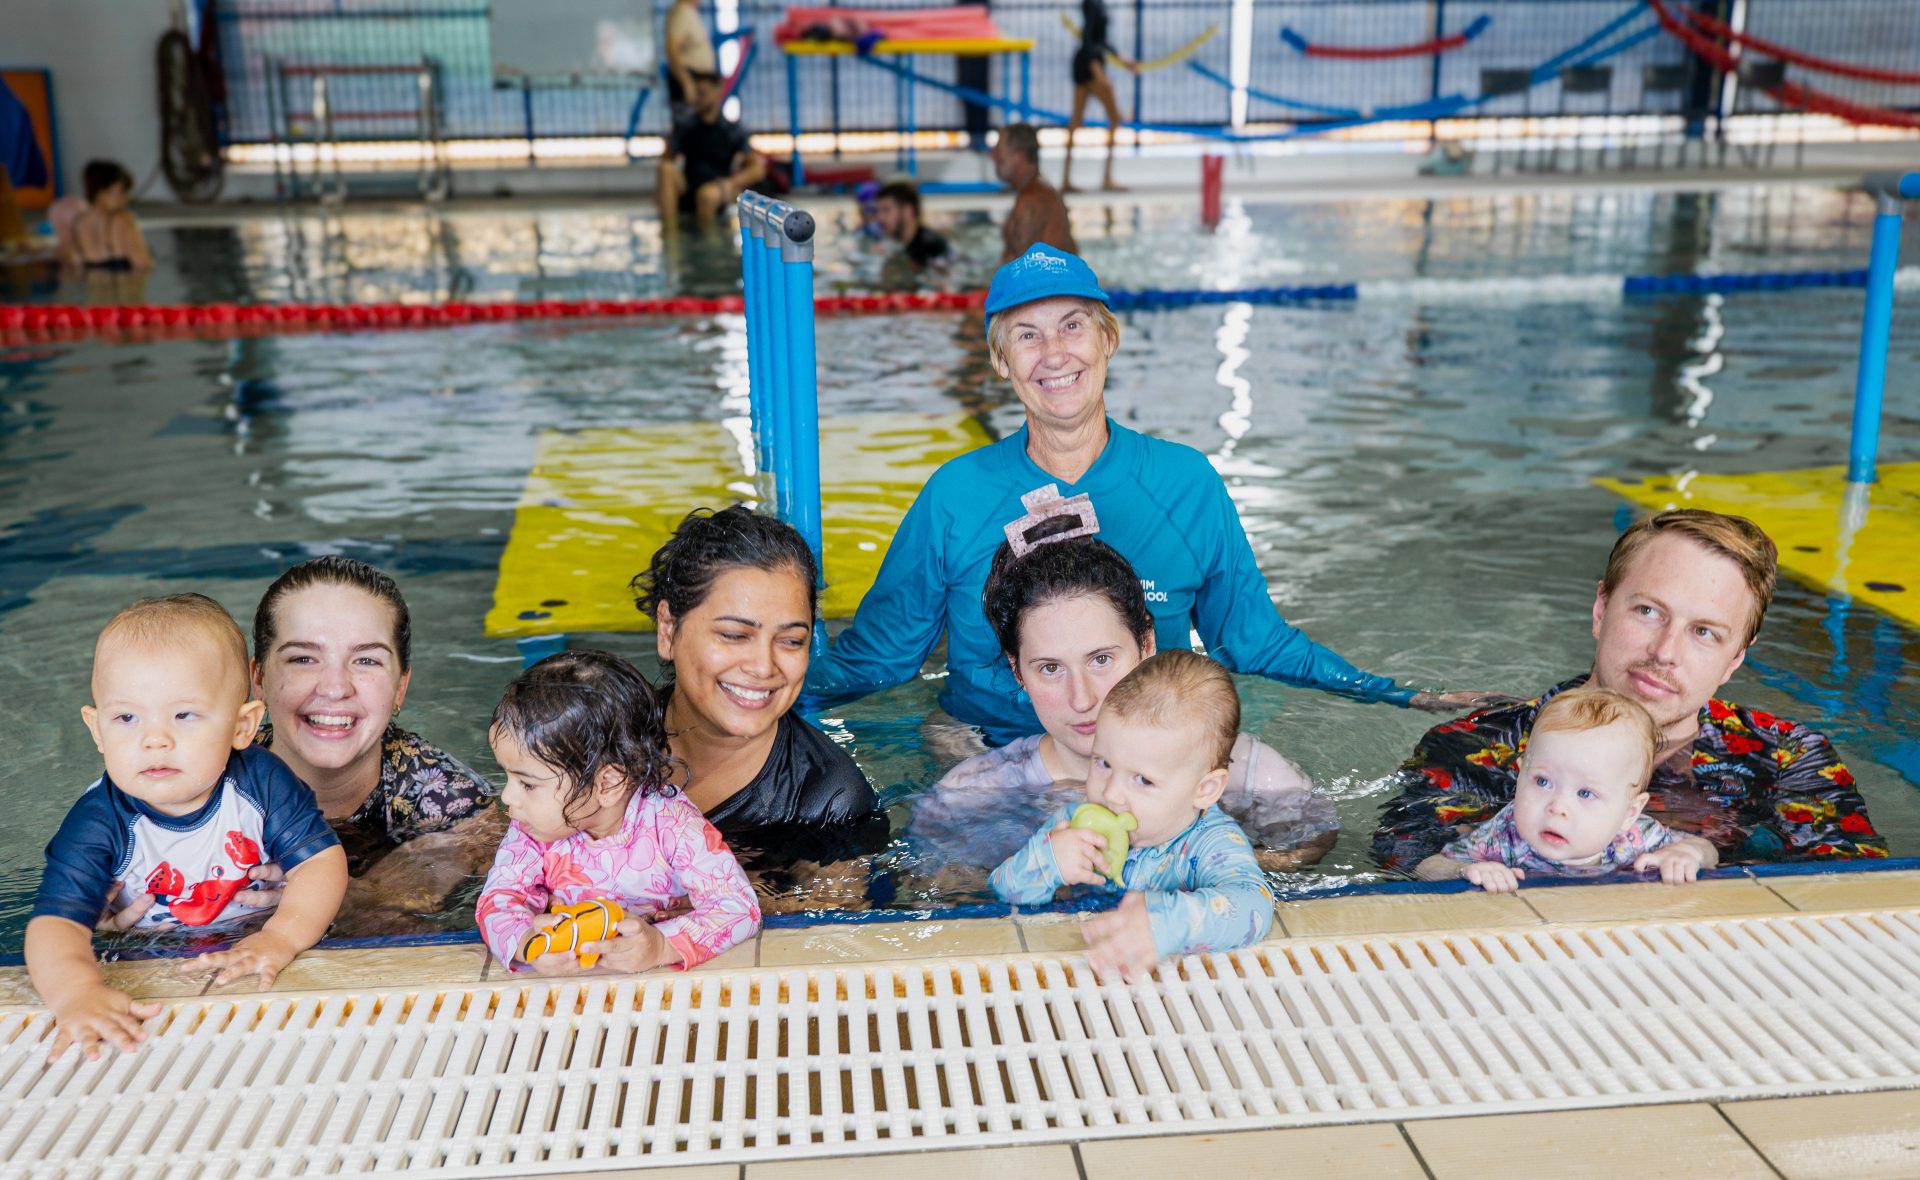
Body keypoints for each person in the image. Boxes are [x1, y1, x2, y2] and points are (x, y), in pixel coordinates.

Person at [804, 244, 1501, 747]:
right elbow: (879, 657)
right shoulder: (956, 495)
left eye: (1073, 325)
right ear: (1000, 361)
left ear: (1108, 339)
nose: (1053, 354)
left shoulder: (1184, 483)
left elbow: (1255, 641)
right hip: (986, 749)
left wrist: (1408, 696)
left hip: (1146, 754)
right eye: (1027, 335)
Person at [1373, 509, 1887, 873]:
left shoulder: (1787, 758)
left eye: (1704, 632)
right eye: (1648, 612)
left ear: (1734, 660)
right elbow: (1410, 871)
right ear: (1601, 610)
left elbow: (1855, 892)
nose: (1665, 651)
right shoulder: (1473, 746)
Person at [26, 595, 348, 1061]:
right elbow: (54, 923)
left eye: (184, 715)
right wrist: (75, 992)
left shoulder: (262, 782)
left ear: (242, 726)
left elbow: (320, 864)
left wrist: (282, 936)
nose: (154, 738)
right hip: (142, 954)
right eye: (126, 718)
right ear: (97, 731)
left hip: (256, 937)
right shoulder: (99, 821)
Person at [916, 535, 1338, 872]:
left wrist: (1196, 870)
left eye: (1101, 660)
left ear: (1146, 644)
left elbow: (1313, 846)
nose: (1082, 699)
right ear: (1017, 671)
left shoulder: (1248, 774)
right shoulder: (968, 799)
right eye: (1049, 668)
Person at [991, 651, 1274, 982]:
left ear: (1205, 790)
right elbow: (1002, 889)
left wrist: (1167, 923)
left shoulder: (1211, 844)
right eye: (1103, 763)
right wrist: (1048, 860)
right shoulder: (1077, 822)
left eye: (1143, 780)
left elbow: (1255, 907)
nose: (1110, 794)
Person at [475, 650, 760, 974]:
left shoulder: (671, 824)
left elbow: (740, 908)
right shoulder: (531, 829)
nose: (507, 796)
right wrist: (529, 943)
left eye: (527, 784)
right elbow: (498, 900)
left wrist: (660, 945)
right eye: (508, 776)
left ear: (607, 783)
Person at [249, 557, 500, 924]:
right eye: (303, 658)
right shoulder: (203, 777)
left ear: (400, 688)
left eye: (366, 661)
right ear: (259, 679)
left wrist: (346, 895)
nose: (335, 688)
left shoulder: (454, 808)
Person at [633, 507, 877, 841]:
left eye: (791, 641)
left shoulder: (829, 803)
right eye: (734, 635)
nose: (764, 667)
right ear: (668, 629)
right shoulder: (599, 737)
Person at [1415, 686, 1718, 892]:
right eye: (1542, 782)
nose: (1557, 806)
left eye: (1585, 793)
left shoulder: (1637, 837)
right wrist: (1467, 872)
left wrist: (1685, 853)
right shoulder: (1506, 836)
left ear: (1629, 812)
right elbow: (1429, 868)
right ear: (1520, 777)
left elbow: (1707, 850)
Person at [657, 71, 764, 235]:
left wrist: (730, 184)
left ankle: (708, 246)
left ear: (718, 91)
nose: (697, 99)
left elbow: (757, 169)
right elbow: (667, 160)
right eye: (696, 93)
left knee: (706, 195)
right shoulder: (685, 125)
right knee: (665, 169)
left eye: (702, 93)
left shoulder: (731, 130)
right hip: (689, 185)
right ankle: (670, 238)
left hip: (716, 189)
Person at [1063, 0, 1134, 193]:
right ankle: (1104, 178)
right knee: (1113, 118)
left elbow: (1099, 40)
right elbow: (1087, 39)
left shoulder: (1097, 3)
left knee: (1077, 122)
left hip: (1087, 63)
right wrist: (1097, 71)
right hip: (1090, 65)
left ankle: (1068, 179)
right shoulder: (1091, 4)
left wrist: (1121, 58)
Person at [992, 123, 1076, 263]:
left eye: (999, 152)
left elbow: (1023, 271)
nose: (993, 157)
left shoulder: (1031, 201)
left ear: (1019, 157)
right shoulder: (1041, 190)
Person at [59, 160, 151, 272]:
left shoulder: (79, 223)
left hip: (94, 284)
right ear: (100, 191)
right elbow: (142, 262)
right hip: (125, 284)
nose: (124, 199)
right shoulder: (123, 220)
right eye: (120, 192)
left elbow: (74, 262)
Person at [873, 178, 950, 270]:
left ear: (907, 211)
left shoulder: (932, 247)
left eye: (886, 210)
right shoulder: (898, 245)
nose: (879, 218)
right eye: (878, 211)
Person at [663, 0, 717, 121]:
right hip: (689, 84)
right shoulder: (681, 14)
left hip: (698, 84)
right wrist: (686, 82)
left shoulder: (689, 13)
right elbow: (672, 50)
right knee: (688, 130)